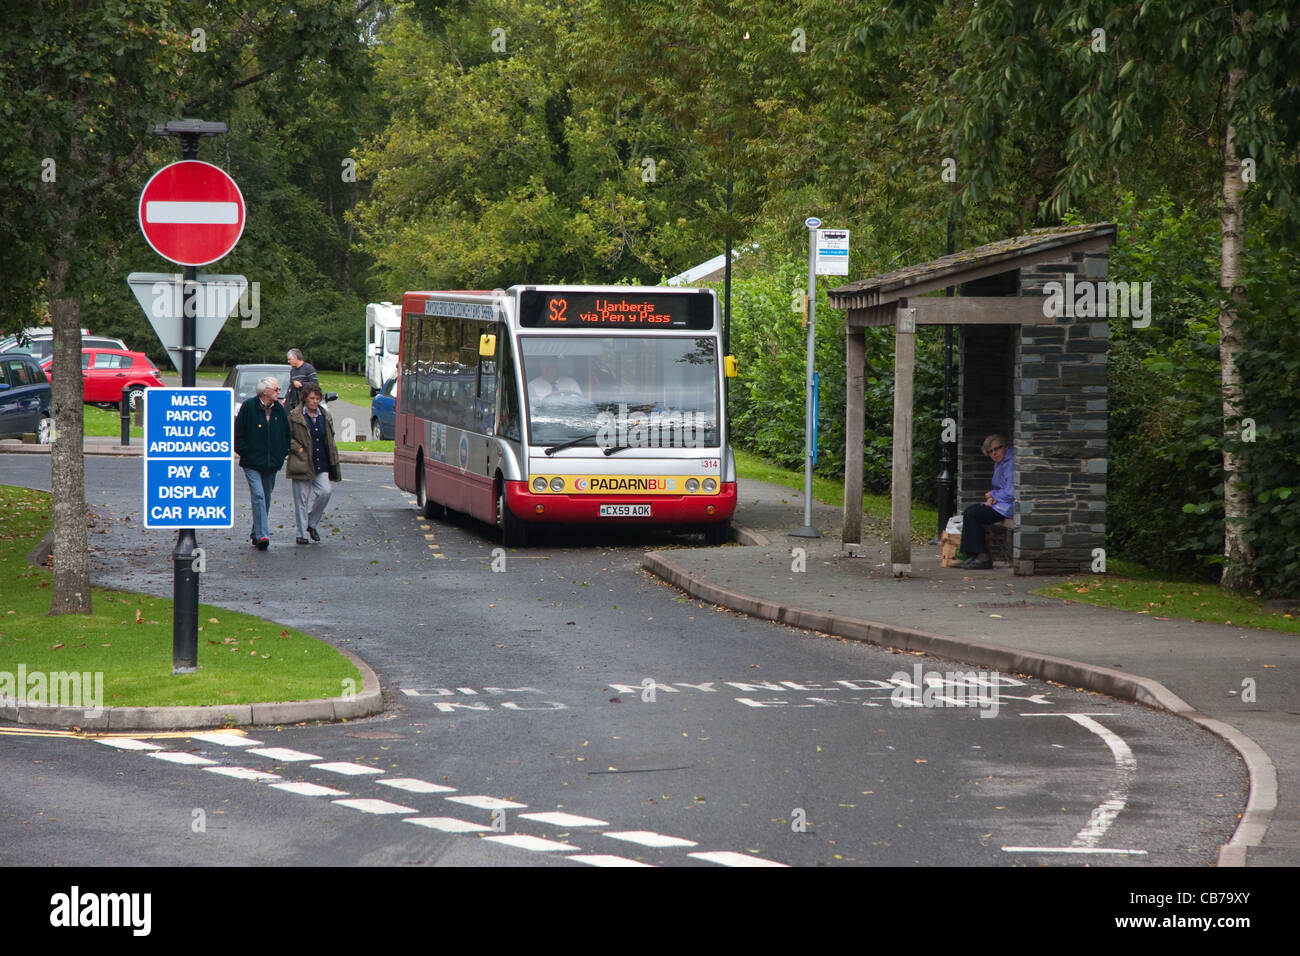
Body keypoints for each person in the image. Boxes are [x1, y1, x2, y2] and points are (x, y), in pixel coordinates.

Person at [234, 376, 291, 550]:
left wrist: (282, 453)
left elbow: (286, 434)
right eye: (276, 389)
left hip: (272, 463)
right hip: (252, 462)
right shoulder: (249, 407)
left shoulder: (279, 410)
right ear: (265, 391)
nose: (279, 392)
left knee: (265, 498)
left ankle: (256, 531)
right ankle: (262, 535)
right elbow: (238, 433)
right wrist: (245, 452)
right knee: (258, 495)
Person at [287, 383, 341, 545]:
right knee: (301, 500)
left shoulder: (325, 415)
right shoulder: (294, 416)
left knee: (325, 492)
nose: (315, 401)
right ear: (304, 398)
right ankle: (302, 534)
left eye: (318, 398)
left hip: (321, 460)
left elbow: (330, 437)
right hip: (302, 462)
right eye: (312, 398)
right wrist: (298, 448)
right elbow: (286, 437)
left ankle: (311, 523)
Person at [957, 434, 1014, 570]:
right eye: (990, 452)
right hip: (1000, 503)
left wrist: (993, 495)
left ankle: (982, 557)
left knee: (974, 515)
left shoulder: (1011, 463)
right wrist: (992, 498)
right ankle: (971, 555)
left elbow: (1011, 492)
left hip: (1009, 506)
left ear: (1005, 447)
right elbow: (999, 488)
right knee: (969, 511)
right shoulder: (999, 464)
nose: (994, 453)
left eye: (997, 449)